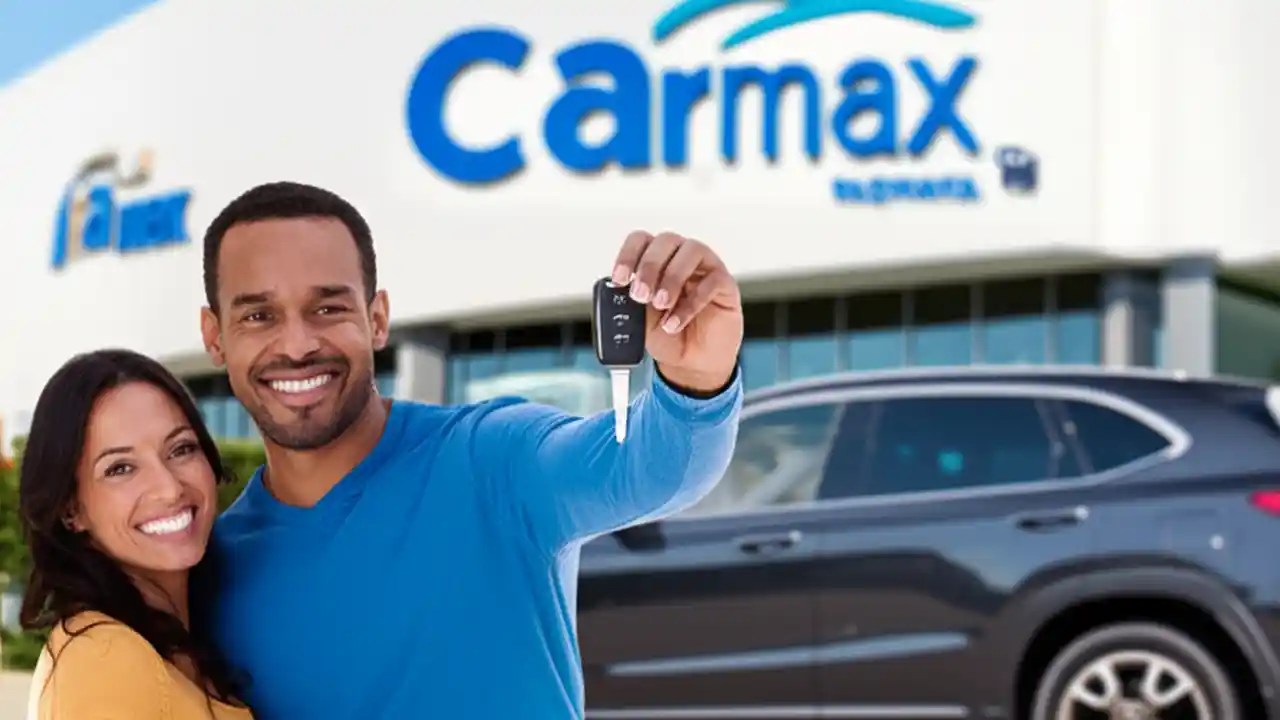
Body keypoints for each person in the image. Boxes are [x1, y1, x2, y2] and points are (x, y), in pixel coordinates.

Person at [195, 180, 744, 718]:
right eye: (258, 316)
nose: (296, 345)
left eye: (328, 309)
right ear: (215, 336)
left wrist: (698, 374)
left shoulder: (490, 459)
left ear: (377, 319)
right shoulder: (211, 571)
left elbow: (651, 469)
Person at [17, 348, 254, 719]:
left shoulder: (178, 638)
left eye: (181, 449)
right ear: (71, 509)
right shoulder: (103, 658)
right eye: (121, 468)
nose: (169, 488)